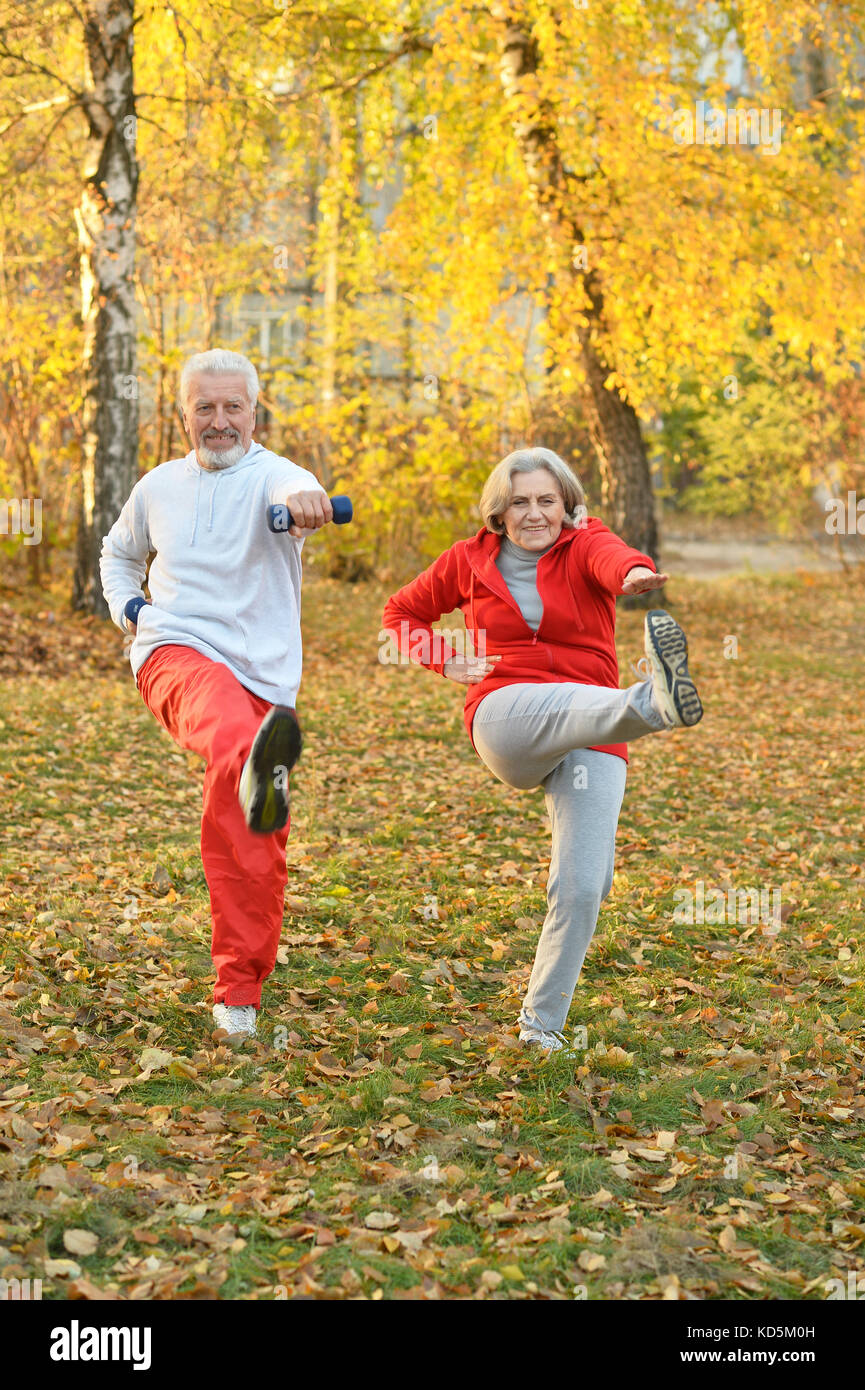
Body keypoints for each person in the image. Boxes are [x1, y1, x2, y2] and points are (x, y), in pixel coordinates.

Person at [381, 447, 703, 1055]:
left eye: (547, 501)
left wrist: (634, 575)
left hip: (595, 721)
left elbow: (613, 559)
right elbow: (399, 614)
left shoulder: (584, 542)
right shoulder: (468, 560)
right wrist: (444, 656)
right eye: (520, 501)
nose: (535, 514)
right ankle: (655, 704)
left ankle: (540, 1027)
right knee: (586, 709)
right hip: (508, 714)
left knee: (584, 883)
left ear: (567, 506)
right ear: (499, 512)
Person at [100, 349, 335, 1041]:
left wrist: (304, 506)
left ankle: (241, 988)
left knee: (254, 837)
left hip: (266, 680)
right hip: (175, 652)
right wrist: (132, 612)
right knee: (230, 733)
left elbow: (295, 493)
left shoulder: (279, 478)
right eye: (205, 407)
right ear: (184, 416)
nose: (219, 420)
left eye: (233, 406)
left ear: (253, 414)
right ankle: (254, 756)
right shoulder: (158, 487)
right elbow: (117, 553)